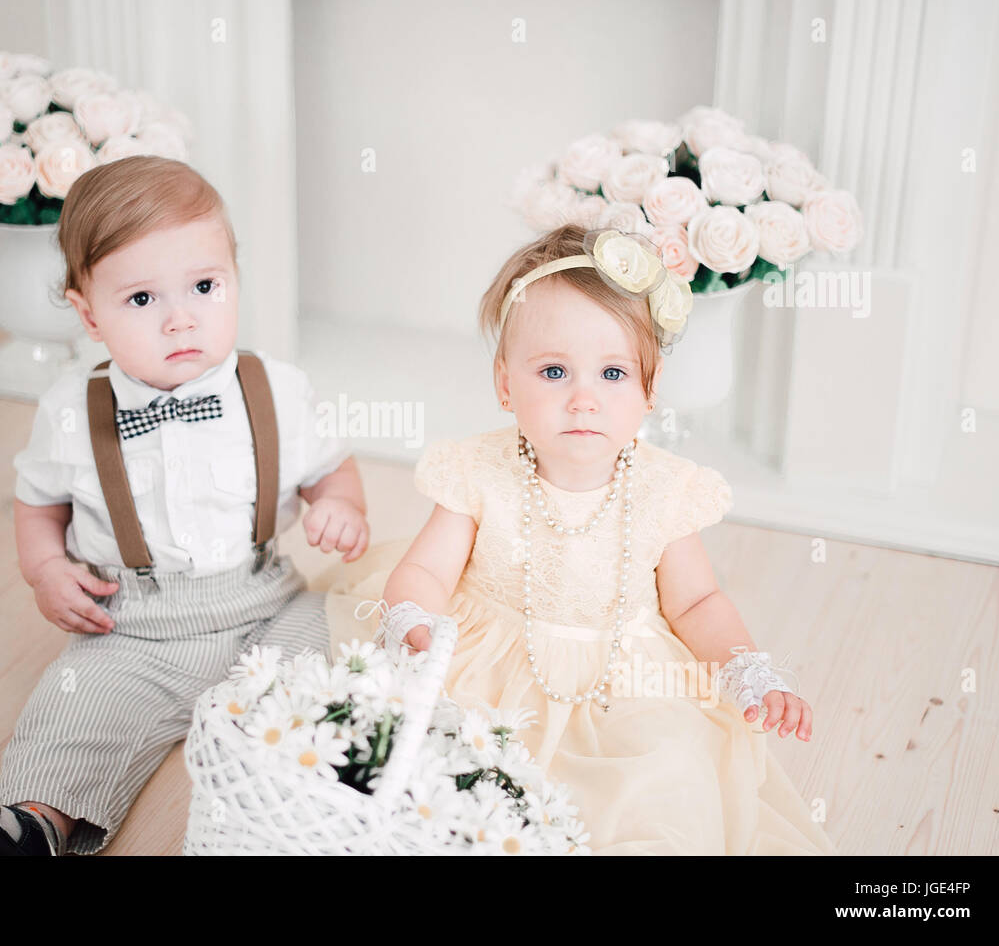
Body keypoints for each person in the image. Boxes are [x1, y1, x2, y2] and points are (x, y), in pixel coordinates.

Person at [316, 223, 837, 854]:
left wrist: (747, 670)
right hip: (494, 664)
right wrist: (412, 618)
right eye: (555, 371)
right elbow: (428, 572)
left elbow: (698, 602)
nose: (584, 399)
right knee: (442, 767)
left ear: (650, 389)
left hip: (626, 679)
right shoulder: (478, 473)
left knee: (664, 768)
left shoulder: (665, 491)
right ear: (506, 384)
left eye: (613, 373)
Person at [0, 155, 369, 856]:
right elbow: (38, 504)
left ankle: (319, 808)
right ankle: (31, 826)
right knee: (73, 706)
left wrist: (342, 507)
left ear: (235, 280)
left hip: (266, 601)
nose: (181, 319)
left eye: (205, 286)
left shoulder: (277, 386)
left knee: (330, 663)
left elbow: (332, 469)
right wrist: (46, 571)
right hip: (130, 622)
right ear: (88, 313)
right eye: (142, 300)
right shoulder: (69, 407)